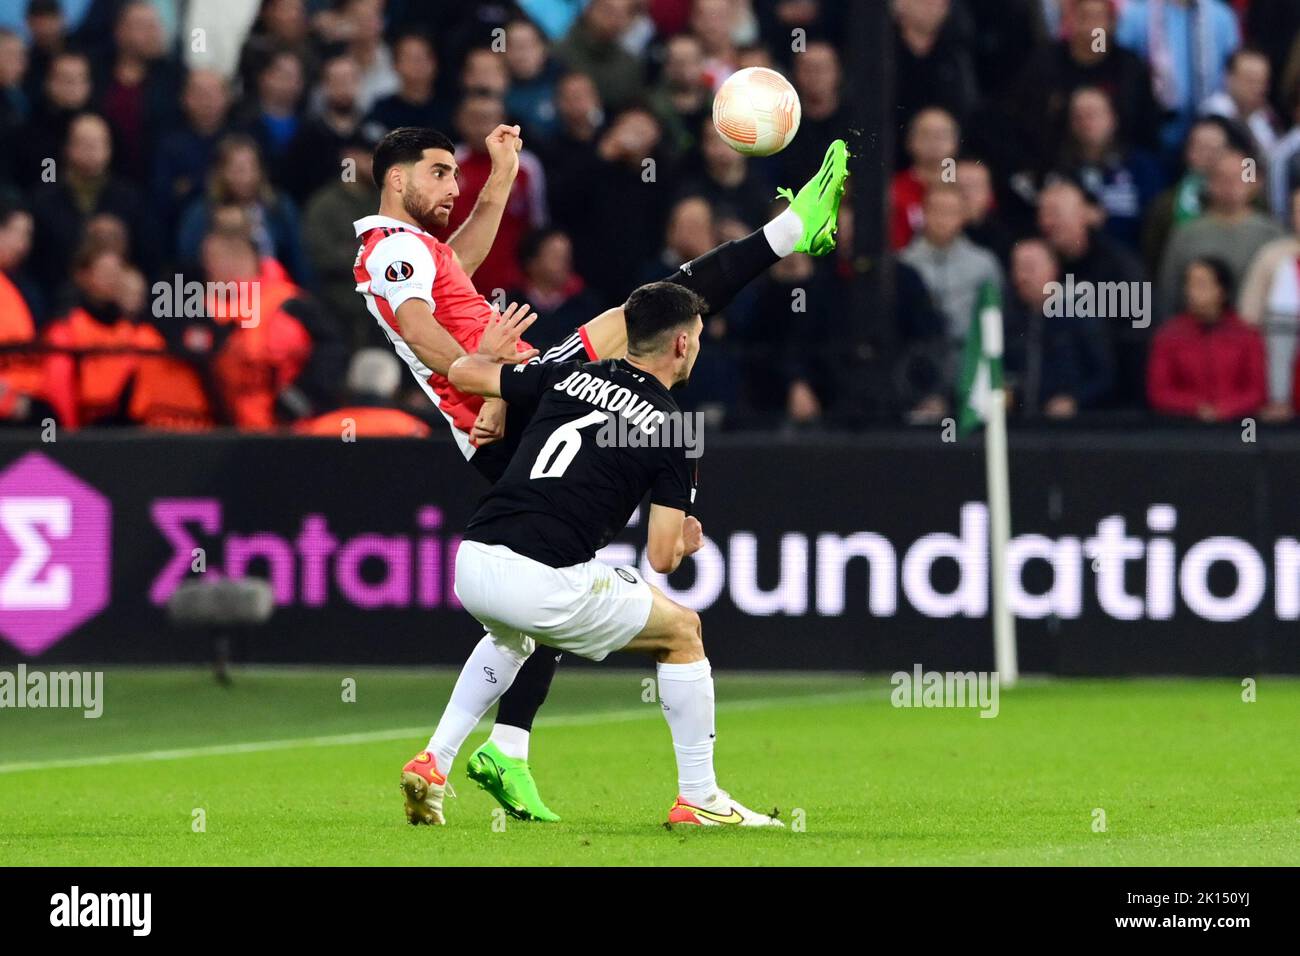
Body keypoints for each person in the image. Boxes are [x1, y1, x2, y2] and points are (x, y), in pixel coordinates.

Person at [354, 124, 849, 822]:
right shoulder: (387, 249)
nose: (452, 187)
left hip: (513, 396)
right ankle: (789, 231)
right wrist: (489, 377)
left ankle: (469, 755)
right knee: (658, 306)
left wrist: (500, 175)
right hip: (509, 392)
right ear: (397, 180)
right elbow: (423, 331)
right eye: (440, 174)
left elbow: (450, 268)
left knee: (538, 588)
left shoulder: (415, 250)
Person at [400, 284, 782, 828]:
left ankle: (433, 760)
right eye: (696, 337)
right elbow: (661, 557)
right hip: (540, 579)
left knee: (513, 637)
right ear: (679, 345)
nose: (697, 346)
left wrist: (489, 354)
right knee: (683, 632)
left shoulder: (570, 374)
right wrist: (687, 542)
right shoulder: (675, 427)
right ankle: (700, 797)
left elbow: (462, 375)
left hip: (476, 557)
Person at [1147, 257, 1267, 421]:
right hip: (1183, 428)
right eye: (1189, 284)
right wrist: (1196, 407)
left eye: (1201, 284)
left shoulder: (1246, 335)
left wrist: (1225, 409)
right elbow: (1160, 392)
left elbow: (1256, 391)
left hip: (1237, 425)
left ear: (1222, 290)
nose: (1192, 292)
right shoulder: (1169, 335)